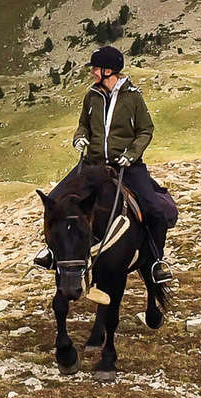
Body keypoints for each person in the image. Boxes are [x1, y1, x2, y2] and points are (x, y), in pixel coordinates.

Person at [34, 46, 174, 286]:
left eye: (96, 69)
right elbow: (83, 124)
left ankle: (155, 262)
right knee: (55, 200)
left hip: (127, 166)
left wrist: (131, 154)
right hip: (92, 164)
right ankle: (52, 253)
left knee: (153, 208)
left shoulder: (133, 98)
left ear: (109, 70)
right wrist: (80, 137)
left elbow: (145, 130)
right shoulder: (92, 96)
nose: (92, 73)